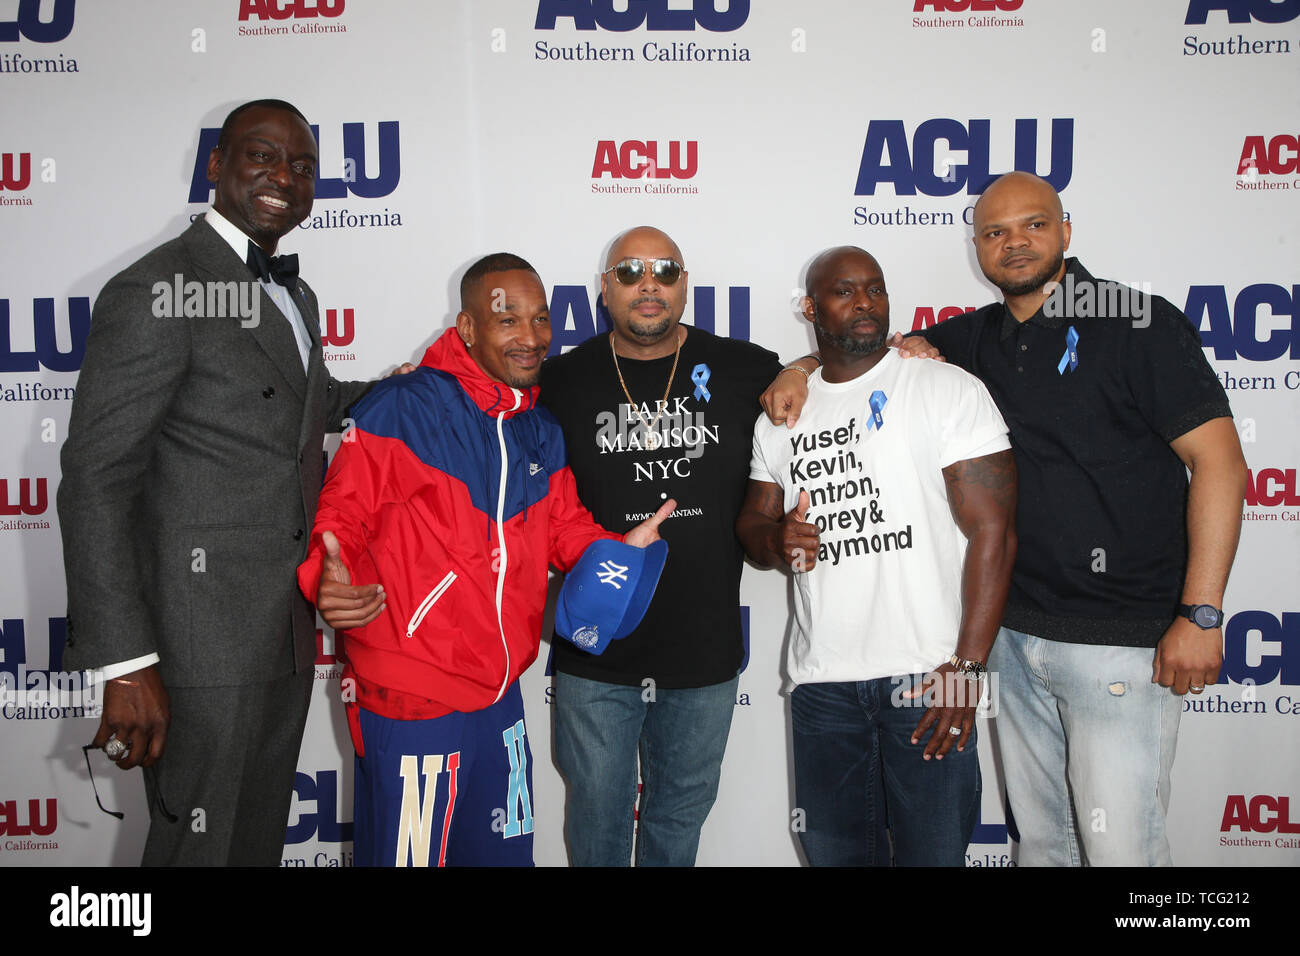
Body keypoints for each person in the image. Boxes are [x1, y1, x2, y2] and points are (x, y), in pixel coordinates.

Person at [777, 172, 1248, 865]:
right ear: (977, 247)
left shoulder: (1138, 323)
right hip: (1013, 638)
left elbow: (1222, 465)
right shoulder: (974, 339)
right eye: (995, 232)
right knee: (1043, 847)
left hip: (1120, 641)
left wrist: (1202, 612)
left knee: (1123, 851)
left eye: (1032, 224)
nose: (1014, 243)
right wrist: (799, 366)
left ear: (1065, 230)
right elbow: (860, 347)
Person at [57, 99, 374, 865]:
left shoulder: (296, 296)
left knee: (253, 846)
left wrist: (417, 386)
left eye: (302, 168)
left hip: (285, 631)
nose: (283, 178)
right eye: (262, 156)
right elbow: (96, 478)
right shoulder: (156, 287)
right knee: (196, 853)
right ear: (215, 165)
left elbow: (311, 409)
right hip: (196, 649)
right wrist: (127, 664)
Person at [296, 253, 673, 867]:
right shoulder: (402, 407)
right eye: (508, 320)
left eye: (541, 318)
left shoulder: (539, 428)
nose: (531, 337)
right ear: (467, 328)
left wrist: (615, 551)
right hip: (414, 699)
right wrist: (325, 575)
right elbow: (340, 521)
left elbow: (565, 528)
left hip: (501, 697)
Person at [736, 246, 1017, 866]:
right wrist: (776, 539)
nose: (864, 303)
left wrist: (968, 668)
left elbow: (994, 532)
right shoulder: (782, 412)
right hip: (822, 683)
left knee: (933, 857)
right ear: (810, 307)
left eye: (876, 289)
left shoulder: (944, 387)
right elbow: (753, 523)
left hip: (928, 676)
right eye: (844, 292)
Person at [539, 226, 785, 866]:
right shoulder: (559, 380)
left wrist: (813, 365)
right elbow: (477, 408)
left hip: (702, 650)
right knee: (596, 823)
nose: (648, 283)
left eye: (666, 269)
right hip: (596, 649)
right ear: (604, 289)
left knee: (677, 823)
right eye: (629, 272)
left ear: (684, 285)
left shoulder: (744, 368)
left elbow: (830, 377)